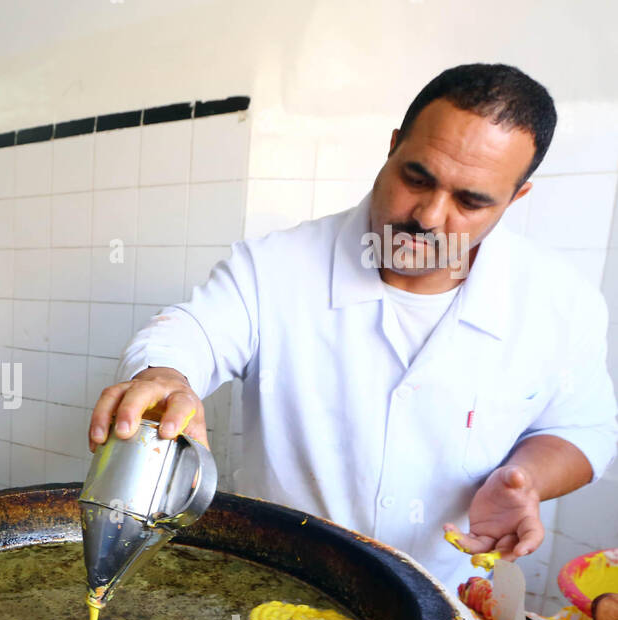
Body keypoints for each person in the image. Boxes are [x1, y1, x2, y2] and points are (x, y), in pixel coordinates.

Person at [88, 63, 618, 592]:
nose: (430, 216)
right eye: (418, 178)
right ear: (392, 148)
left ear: (515, 198)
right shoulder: (276, 267)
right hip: (277, 590)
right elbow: (193, 331)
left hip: (452, 605)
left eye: (470, 201)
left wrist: (527, 480)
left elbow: (583, 430)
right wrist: (166, 377)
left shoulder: (559, 301)